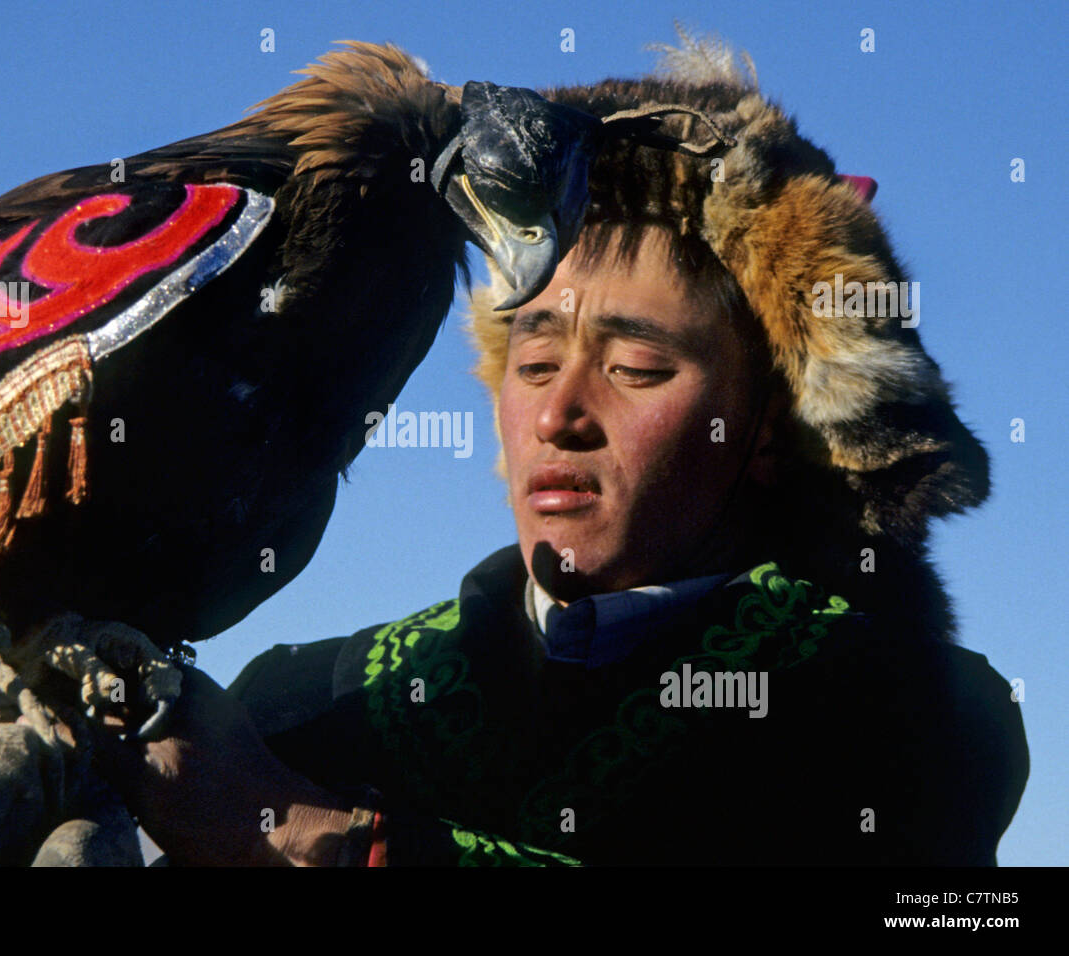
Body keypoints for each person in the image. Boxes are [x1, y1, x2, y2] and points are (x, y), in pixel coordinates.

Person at [118, 33, 1029, 866]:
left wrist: (330, 843)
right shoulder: (307, 702)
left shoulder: (916, 721)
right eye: (535, 358)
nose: (558, 414)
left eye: (634, 367)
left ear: (765, 434)